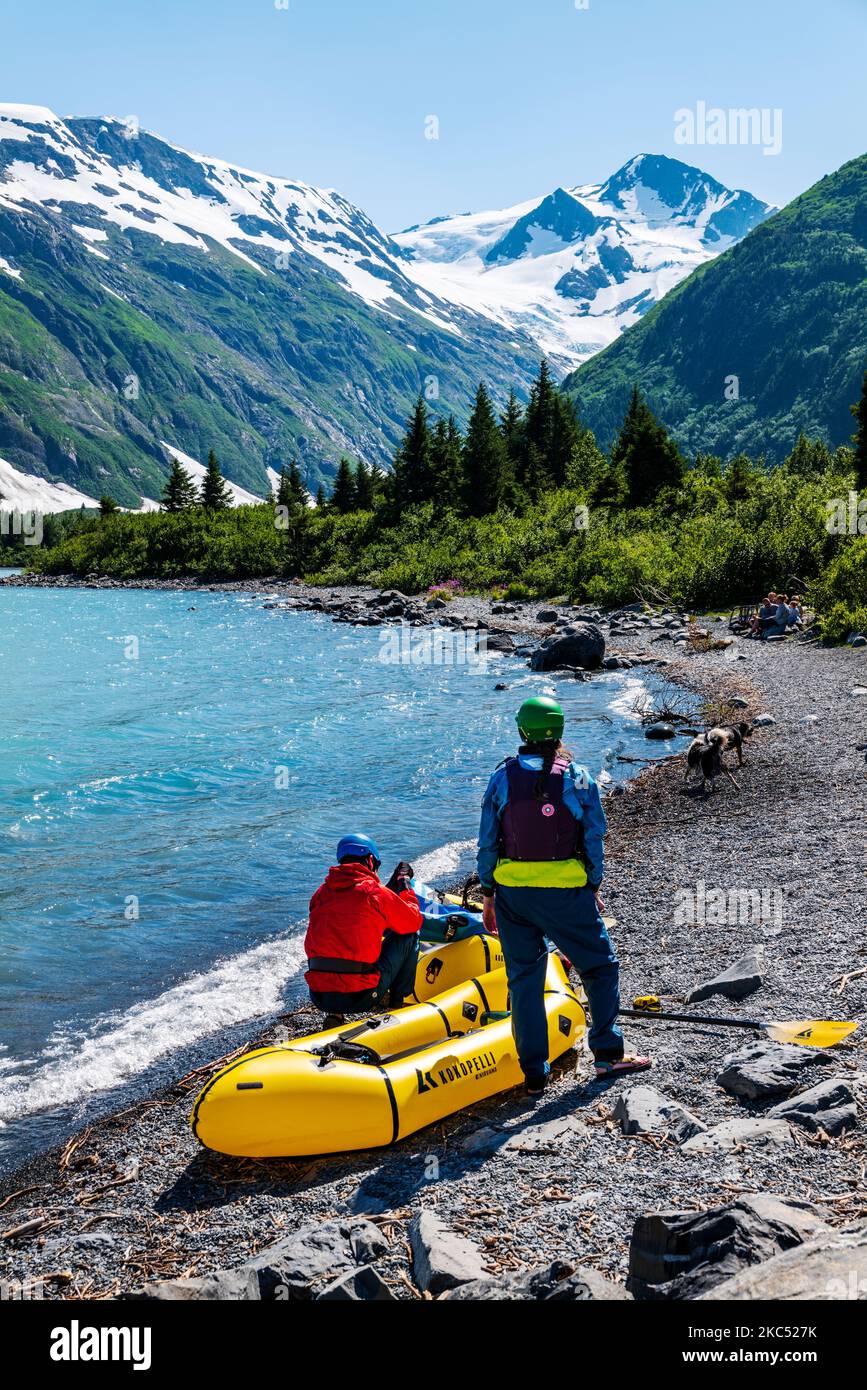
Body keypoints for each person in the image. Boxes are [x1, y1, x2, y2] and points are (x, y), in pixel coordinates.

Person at [477, 696, 650, 1095]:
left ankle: (534, 1074)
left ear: (522, 732)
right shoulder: (579, 777)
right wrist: (592, 886)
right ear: (560, 732)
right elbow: (594, 836)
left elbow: (488, 842)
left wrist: (488, 892)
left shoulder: (501, 778)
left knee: (524, 981)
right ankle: (607, 1055)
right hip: (566, 894)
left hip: (513, 896)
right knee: (600, 968)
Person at [304, 834, 422, 1026]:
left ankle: (335, 1015)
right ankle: (396, 1006)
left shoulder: (320, 894)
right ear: (369, 860)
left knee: (338, 944)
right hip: (360, 996)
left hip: (319, 996)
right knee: (410, 934)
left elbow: (358, 922)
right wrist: (405, 884)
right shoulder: (374, 893)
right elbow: (413, 921)